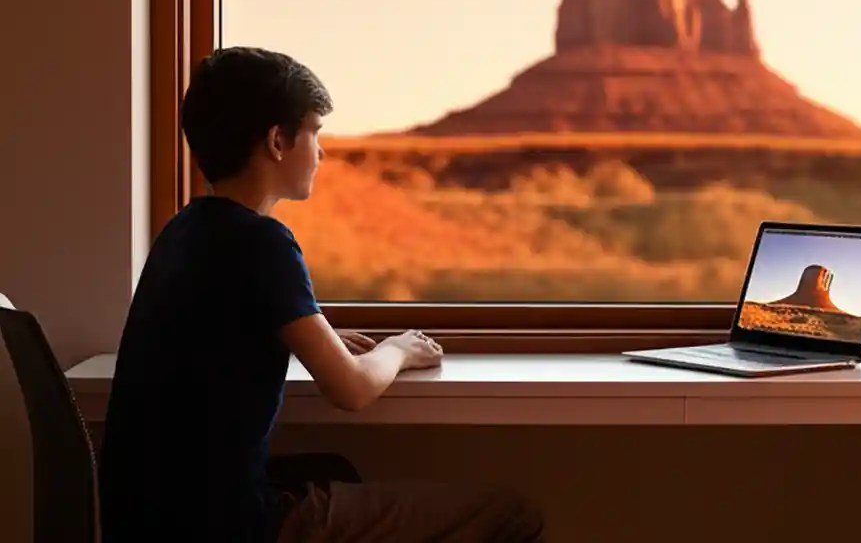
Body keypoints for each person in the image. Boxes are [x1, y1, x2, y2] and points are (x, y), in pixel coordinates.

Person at [99, 47, 543, 542]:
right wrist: (397, 348)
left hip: (149, 521)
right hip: (232, 526)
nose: (322, 152)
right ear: (277, 142)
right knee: (511, 514)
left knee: (337, 468)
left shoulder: (184, 229)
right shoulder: (262, 242)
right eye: (315, 133)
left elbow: (223, 336)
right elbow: (350, 389)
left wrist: (317, 336)